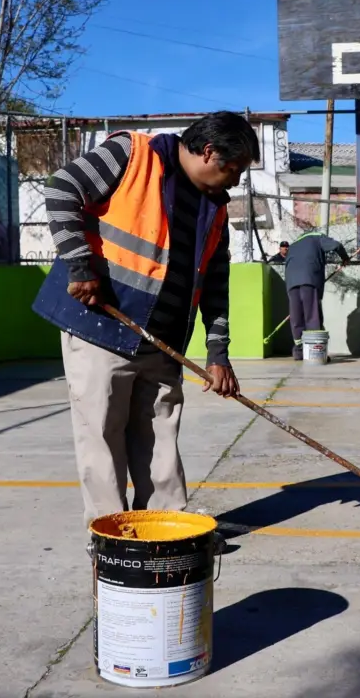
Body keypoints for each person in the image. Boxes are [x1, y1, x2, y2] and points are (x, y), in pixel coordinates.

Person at [30, 111, 260, 541]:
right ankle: (112, 538)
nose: (236, 182)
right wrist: (80, 267)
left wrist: (218, 355)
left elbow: (215, 284)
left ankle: (169, 532)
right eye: (235, 170)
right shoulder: (132, 154)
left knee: (160, 438)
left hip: (163, 340)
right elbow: (62, 188)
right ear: (209, 152)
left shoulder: (216, 211)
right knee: (102, 436)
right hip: (101, 327)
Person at [283, 231, 350, 360]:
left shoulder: (294, 244)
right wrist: (345, 258)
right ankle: (315, 353)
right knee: (312, 315)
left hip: (291, 282)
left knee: (297, 318)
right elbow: (336, 245)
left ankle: (299, 352)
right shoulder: (317, 237)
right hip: (309, 279)